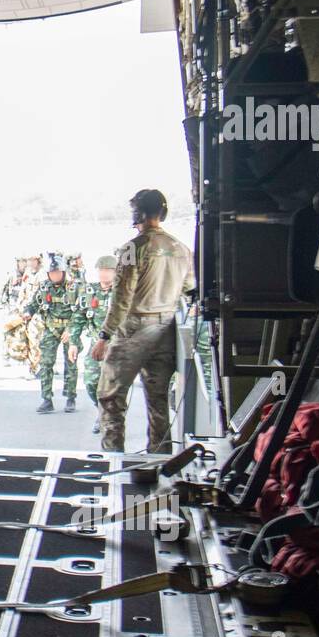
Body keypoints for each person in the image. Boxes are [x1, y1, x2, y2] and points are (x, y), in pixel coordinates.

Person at [93, 188, 195, 453]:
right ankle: (160, 461)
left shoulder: (131, 249)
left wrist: (104, 336)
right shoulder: (181, 249)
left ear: (138, 213)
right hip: (166, 329)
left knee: (111, 397)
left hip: (135, 328)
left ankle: (112, 458)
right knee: (158, 399)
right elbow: (190, 289)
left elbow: (121, 298)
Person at [23, 253, 81, 413]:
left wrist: (72, 330)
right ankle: (46, 399)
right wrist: (28, 312)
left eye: (57, 273)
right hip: (51, 329)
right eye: (52, 273)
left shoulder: (74, 287)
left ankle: (70, 398)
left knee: (71, 364)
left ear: (63, 273)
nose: (55, 276)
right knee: (46, 363)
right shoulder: (44, 287)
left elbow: (81, 311)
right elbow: (33, 304)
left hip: (70, 329)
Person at [69, 254, 117, 433]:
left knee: (114, 384)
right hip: (97, 345)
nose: (104, 274)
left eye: (108, 271)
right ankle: (102, 411)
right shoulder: (90, 292)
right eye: (101, 270)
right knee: (91, 382)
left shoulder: (123, 293)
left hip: (118, 345)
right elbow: (78, 317)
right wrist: (73, 342)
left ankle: (111, 418)